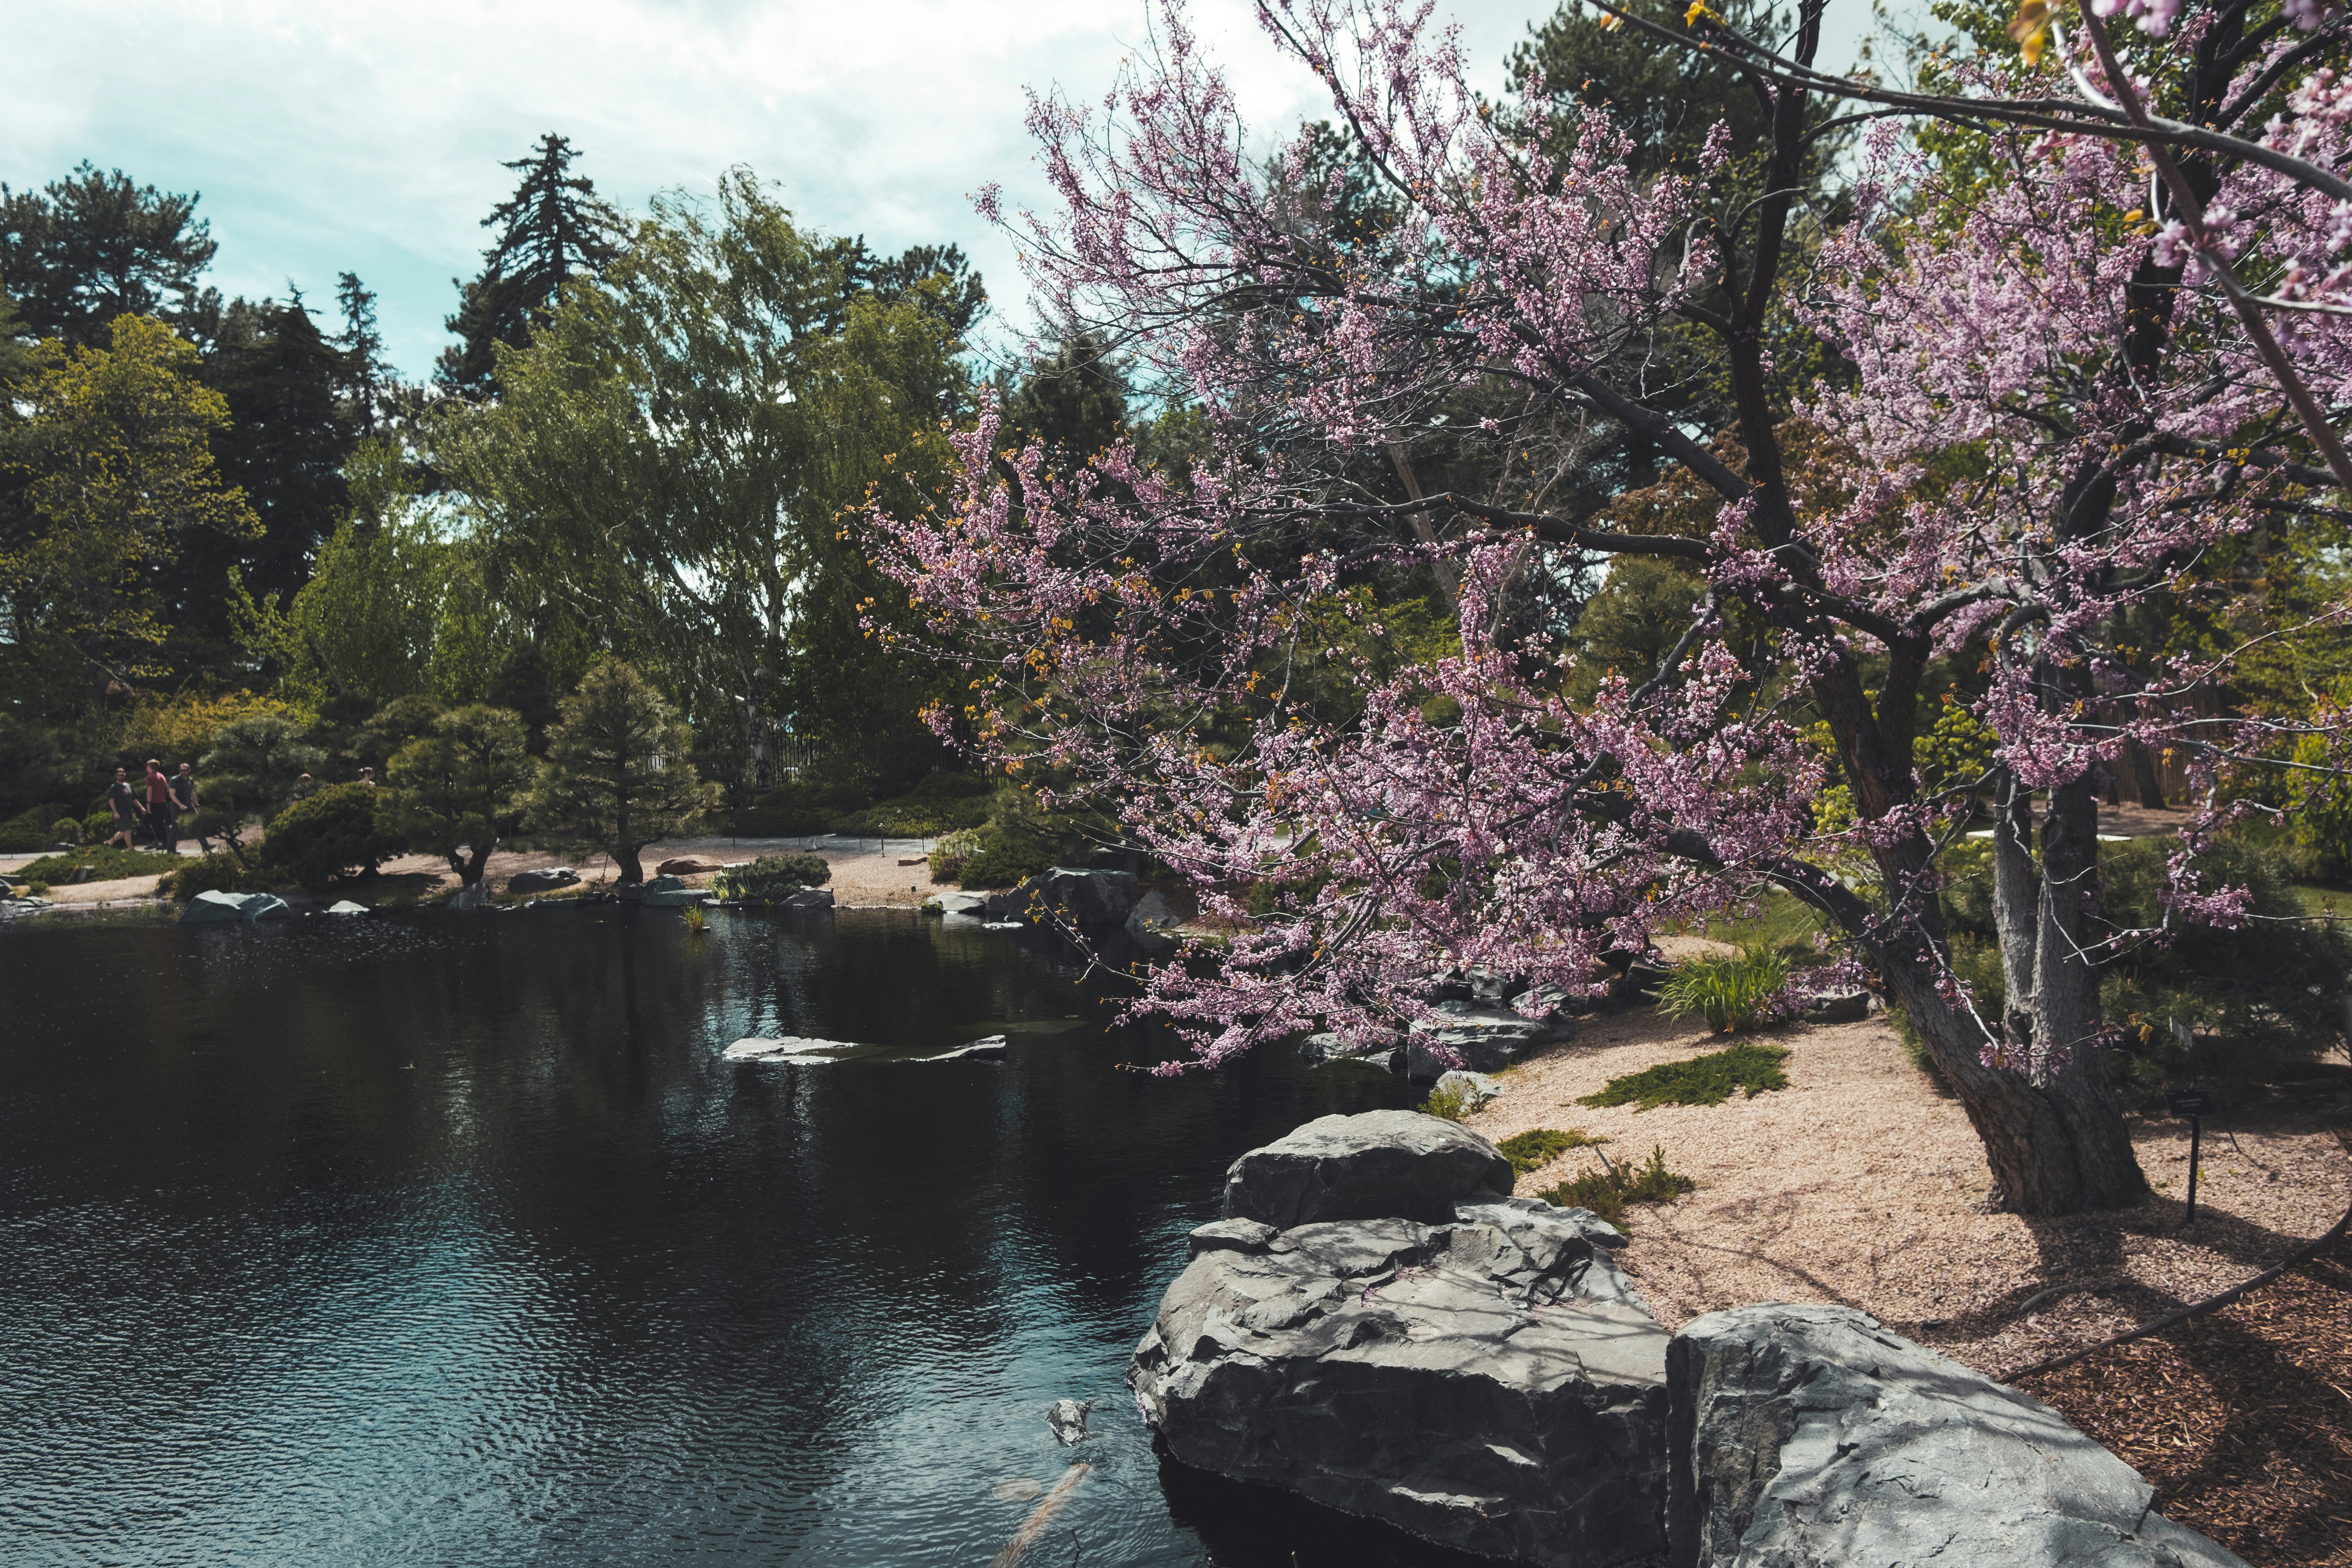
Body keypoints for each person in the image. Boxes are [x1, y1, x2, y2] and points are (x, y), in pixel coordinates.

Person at [171, 763, 206, 852]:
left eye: (185, 771)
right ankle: (171, 850)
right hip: (177, 806)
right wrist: (180, 805)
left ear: (189, 771)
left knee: (196, 824)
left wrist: (196, 806)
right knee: (175, 827)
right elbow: (172, 795)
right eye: (181, 770)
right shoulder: (175, 780)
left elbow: (192, 794)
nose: (183, 772)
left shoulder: (191, 780)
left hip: (189, 804)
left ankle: (205, 846)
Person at [106, 766, 141, 849]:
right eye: (119, 775)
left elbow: (134, 799)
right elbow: (111, 801)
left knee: (125, 831)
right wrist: (115, 812)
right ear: (116, 776)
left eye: (123, 775)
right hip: (120, 812)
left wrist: (141, 808)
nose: (121, 777)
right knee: (127, 830)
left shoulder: (128, 786)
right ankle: (130, 848)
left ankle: (110, 842)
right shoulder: (114, 787)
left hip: (129, 811)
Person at [145, 758, 176, 851]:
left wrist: (148, 804)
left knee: (146, 822)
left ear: (150, 767)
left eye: (147, 766)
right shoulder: (162, 776)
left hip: (154, 803)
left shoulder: (149, 777)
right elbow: (167, 789)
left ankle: (153, 841)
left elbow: (150, 791)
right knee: (161, 823)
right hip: (163, 802)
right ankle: (165, 843)